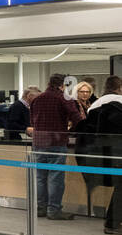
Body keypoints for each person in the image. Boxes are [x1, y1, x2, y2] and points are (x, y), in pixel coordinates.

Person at [29, 74, 85, 220]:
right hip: (56, 142)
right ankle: (53, 210)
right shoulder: (64, 98)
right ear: (63, 85)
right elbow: (76, 118)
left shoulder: (37, 99)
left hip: (38, 142)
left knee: (40, 176)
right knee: (56, 177)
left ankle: (40, 208)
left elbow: (32, 121)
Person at [74, 76, 122, 234]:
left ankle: (112, 223)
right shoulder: (119, 105)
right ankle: (112, 224)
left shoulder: (95, 106)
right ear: (120, 88)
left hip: (101, 155)